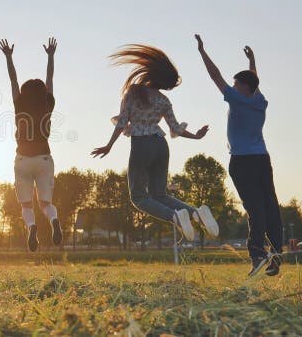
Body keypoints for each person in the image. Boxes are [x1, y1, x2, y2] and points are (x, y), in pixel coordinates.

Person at [91, 45, 220, 243]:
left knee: (139, 197)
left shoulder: (133, 93)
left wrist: (109, 146)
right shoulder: (163, 100)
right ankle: (196, 214)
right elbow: (175, 128)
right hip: (161, 146)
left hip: (142, 145)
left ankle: (175, 216)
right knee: (159, 194)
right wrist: (195, 136)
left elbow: (123, 122)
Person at [195, 34, 282, 276]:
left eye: (236, 84)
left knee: (255, 209)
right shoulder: (260, 100)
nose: (232, 87)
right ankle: (275, 256)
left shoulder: (238, 99)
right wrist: (252, 61)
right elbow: (254, 81)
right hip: (263, 159)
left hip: (243, 162)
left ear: (243, 88)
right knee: (270, 207)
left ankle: (258, 254)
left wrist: (202, 51)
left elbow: (215, 76)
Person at [0, 37, 63, 252]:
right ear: (43, 92)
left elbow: (13, 80)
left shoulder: (20, 104)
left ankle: (32, 227)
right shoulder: (47, 103)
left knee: (26, 205)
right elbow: (51, 77)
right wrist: (51, 56)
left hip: (23, 159)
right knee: (46, 204)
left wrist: (9, 57)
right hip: (44, 158)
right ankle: (53, 220)